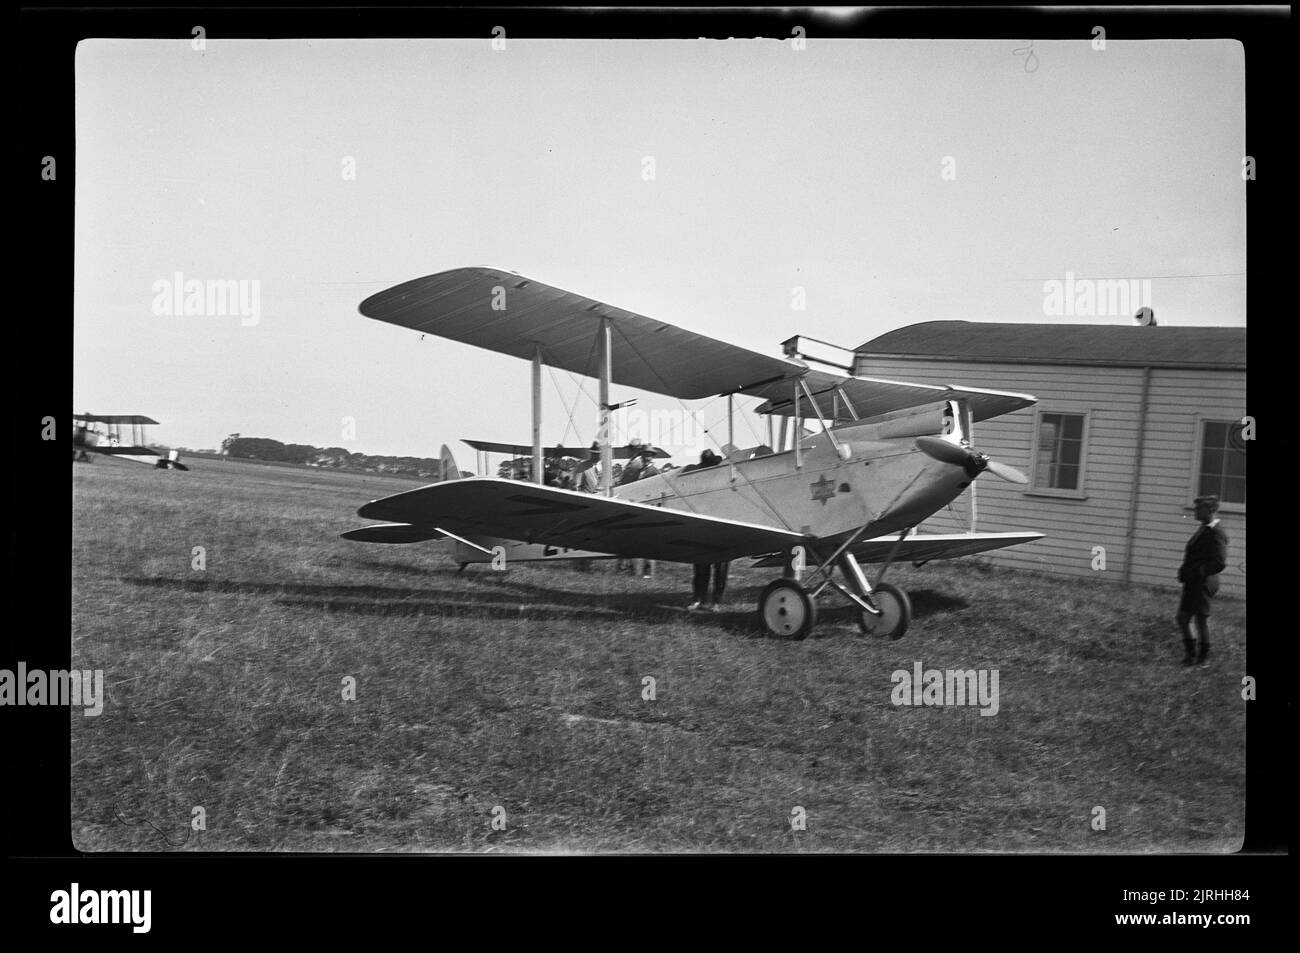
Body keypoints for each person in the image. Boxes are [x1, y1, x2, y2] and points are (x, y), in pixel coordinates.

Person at [1177, 495, 1228, 667]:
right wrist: (1185, 571)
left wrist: (1199, 572)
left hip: (1204, 582)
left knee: (1200, 619)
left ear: (1211, 510)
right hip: (1193, 582)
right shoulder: (1203, 529)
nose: (1196, 511)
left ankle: (1202, 659)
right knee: (1183, 618)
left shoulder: (1216, 532)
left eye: (1200, 508)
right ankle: (1190, 655)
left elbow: (1219, 562)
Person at [684, 449, 729, 611]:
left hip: (723, 529)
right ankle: (699, 599)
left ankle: (716, 602)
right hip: (703, 528)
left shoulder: (724, 483)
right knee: (701, 567)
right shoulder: (698, 484)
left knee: (721, 568)